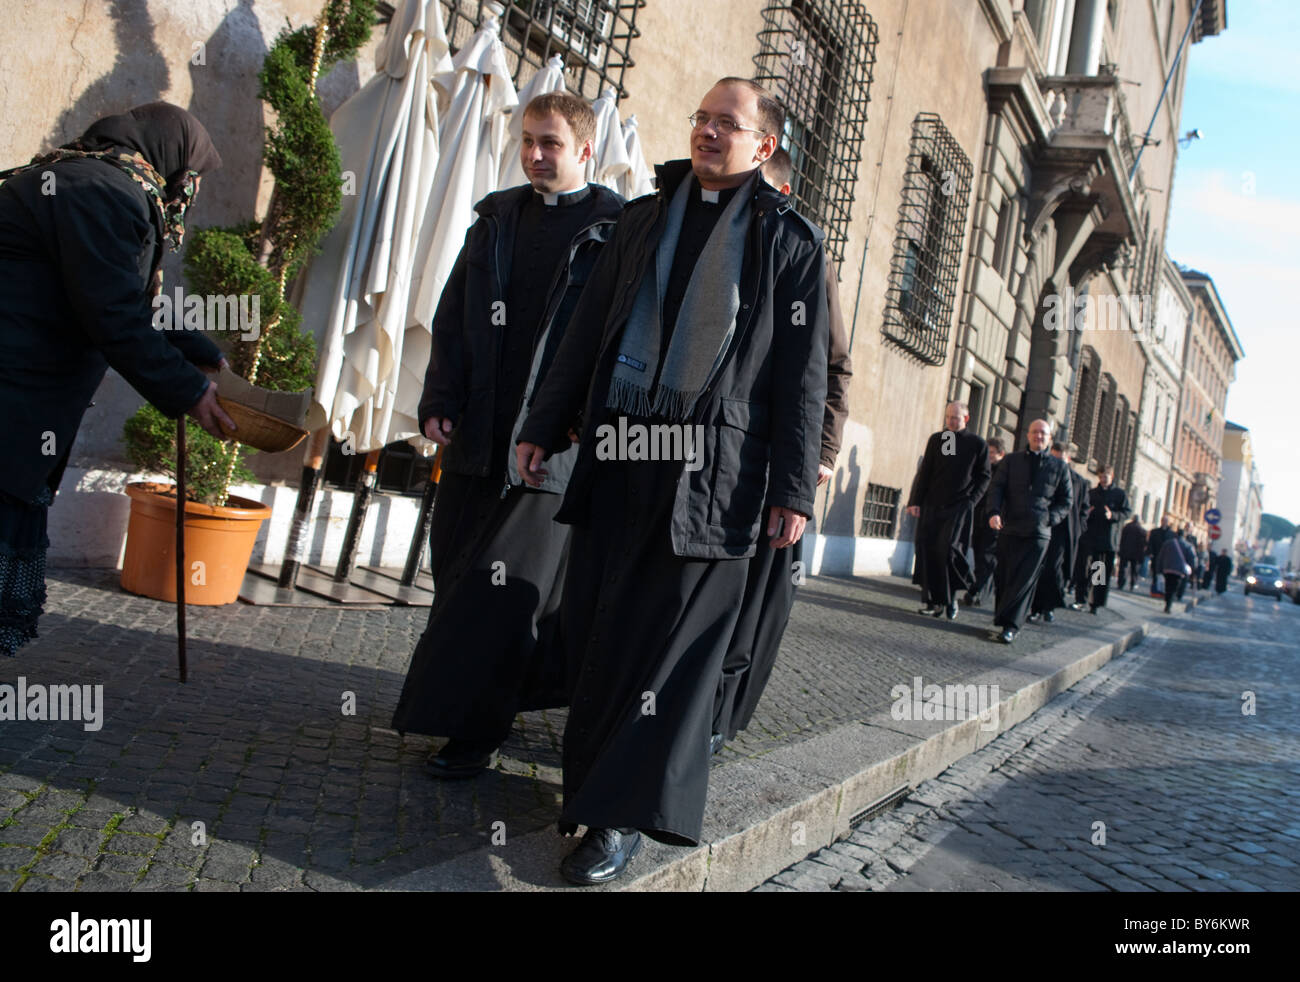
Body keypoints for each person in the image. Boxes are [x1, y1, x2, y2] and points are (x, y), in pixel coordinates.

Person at [516, 77, 828, 885]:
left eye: (729, 123)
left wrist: (794, 488)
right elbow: (590, 327)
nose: (710, 132)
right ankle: (588, 793)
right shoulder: (644, 218)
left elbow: (803, 377)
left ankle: (619, 821)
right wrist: (544, 425)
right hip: (622, 453)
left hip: (715, 476)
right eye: (702, 118)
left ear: (764, 145)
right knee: (599, 631)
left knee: (669, 653)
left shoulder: (788, 240)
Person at [390, 94, 625, 776]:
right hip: (477, 437)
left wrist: (572, 427)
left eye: (549, 142)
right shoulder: (493, 220)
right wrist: (440, 397)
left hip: (550, 450)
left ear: (585, 149)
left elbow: (610, 345)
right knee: (455, 576)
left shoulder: (616, 231)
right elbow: (455, 316)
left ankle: (473, 737)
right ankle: (470, 710)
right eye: (527, 140)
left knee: (501, 597)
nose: (534, 154)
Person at [0, 102, 234, 657]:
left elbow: (117, 296)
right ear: (173, 163)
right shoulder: (101, 192)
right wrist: (190, 391)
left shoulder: (87, 177)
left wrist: (201, 355)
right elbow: (112, 313)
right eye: (190, 178)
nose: (189, 192)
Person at [710, 147, 852, 752]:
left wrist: (819, 454)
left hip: (780, 461)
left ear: (783, 191)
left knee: (756, 600)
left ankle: (719, 717)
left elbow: (834, 369)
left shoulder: (805, 256)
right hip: (719, 457)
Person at [984, 419, 1072, 643]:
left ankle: (1011, 626)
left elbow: (1066, 501)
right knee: (1004, 576)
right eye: (1034, 432)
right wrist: (993, 512)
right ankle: (1002, 619)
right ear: (1028, 436)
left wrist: (1049, 519)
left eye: (1043, 433)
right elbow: (997, 488)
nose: (1038, 437)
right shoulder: (1012, 461)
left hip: (1038, 533)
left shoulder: (1060, 467)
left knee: (1024, 580)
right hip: (1010, 527)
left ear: (1049, 438)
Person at [905, 402, 991, 620]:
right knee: (929, 551)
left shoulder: (977, 444)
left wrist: (972, 500)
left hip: (959, 507)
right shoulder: (942, 439)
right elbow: (929, 472)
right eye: (949, 417)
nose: (952, 421)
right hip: (933, 505)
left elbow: (984, 476)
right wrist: (916, 500)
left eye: (956, 417)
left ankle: (951, 597)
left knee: (948, 551)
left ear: (966, 418)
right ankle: (934, 602)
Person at [1028, 442, 1089, 623]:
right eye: (1054, 458)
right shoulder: (1042, 473)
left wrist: (1079, 529)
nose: (1057, 462)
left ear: (1068, 459)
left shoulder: (1080, 482)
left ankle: (1051, 605)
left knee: (1054, 569)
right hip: (1044, 526)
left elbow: (1084, 510)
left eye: (1060, 459)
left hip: (1065, 533)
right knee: (1038, 567)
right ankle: (1036, 607)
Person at [1078, 465, 1130, 612]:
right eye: (1101, 476)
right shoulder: (1092, 493)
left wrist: (1113, 515)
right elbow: (1083, 509)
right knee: (1084, 569)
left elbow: (1126, 512)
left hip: (1106, 541)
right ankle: (1080, 598)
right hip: (1090, 538)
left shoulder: (1119, 494)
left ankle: (1094, 602)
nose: (1103, 479)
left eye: (1106, 476)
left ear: (1111, 476)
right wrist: (1086, 513)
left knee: (1098, 572)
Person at [962, 438, 1005, 608]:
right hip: (979, 518)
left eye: (992, 453)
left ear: (1001, 454)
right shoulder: (982, 468)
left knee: (987, 558)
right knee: (981, 555)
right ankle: (981, 593)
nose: (989, 456)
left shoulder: (1004, 471)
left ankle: (975, 590)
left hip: (995, 520)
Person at [1158, 528, 1195, 613]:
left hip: (1167, 569)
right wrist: (1191, 572)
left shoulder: (1167, 543)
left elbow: (1161, 557)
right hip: (1179, 571)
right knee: (1174, 588)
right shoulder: (1187, 545)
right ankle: (1169, 604)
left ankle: (1167, 603)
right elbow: (1191, 559)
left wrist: (1159, 570)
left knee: (1168, 586)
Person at [1118, 515, 1146, 591]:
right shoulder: (1142, 530)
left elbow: (1122, 539)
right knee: (1134, 570)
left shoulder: (1127, 527)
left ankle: (1121, 583)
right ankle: (1132, 584)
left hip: (1125, 551)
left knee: (1123, 568)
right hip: (1136, 554)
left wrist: (1120, 549)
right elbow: (1143, 544)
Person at [1147, 515, 1172, 597]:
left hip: (1166, 559)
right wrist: (1150, 552)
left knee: (1164, 576)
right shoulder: (1155, 532)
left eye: (1166, 521)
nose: (1164, 522)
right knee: (1155, 574)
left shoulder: (1171, 534)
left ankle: (1162, 591)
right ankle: (1154, 591)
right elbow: (1150, 543)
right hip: (1156, 556)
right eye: (1163, 520)